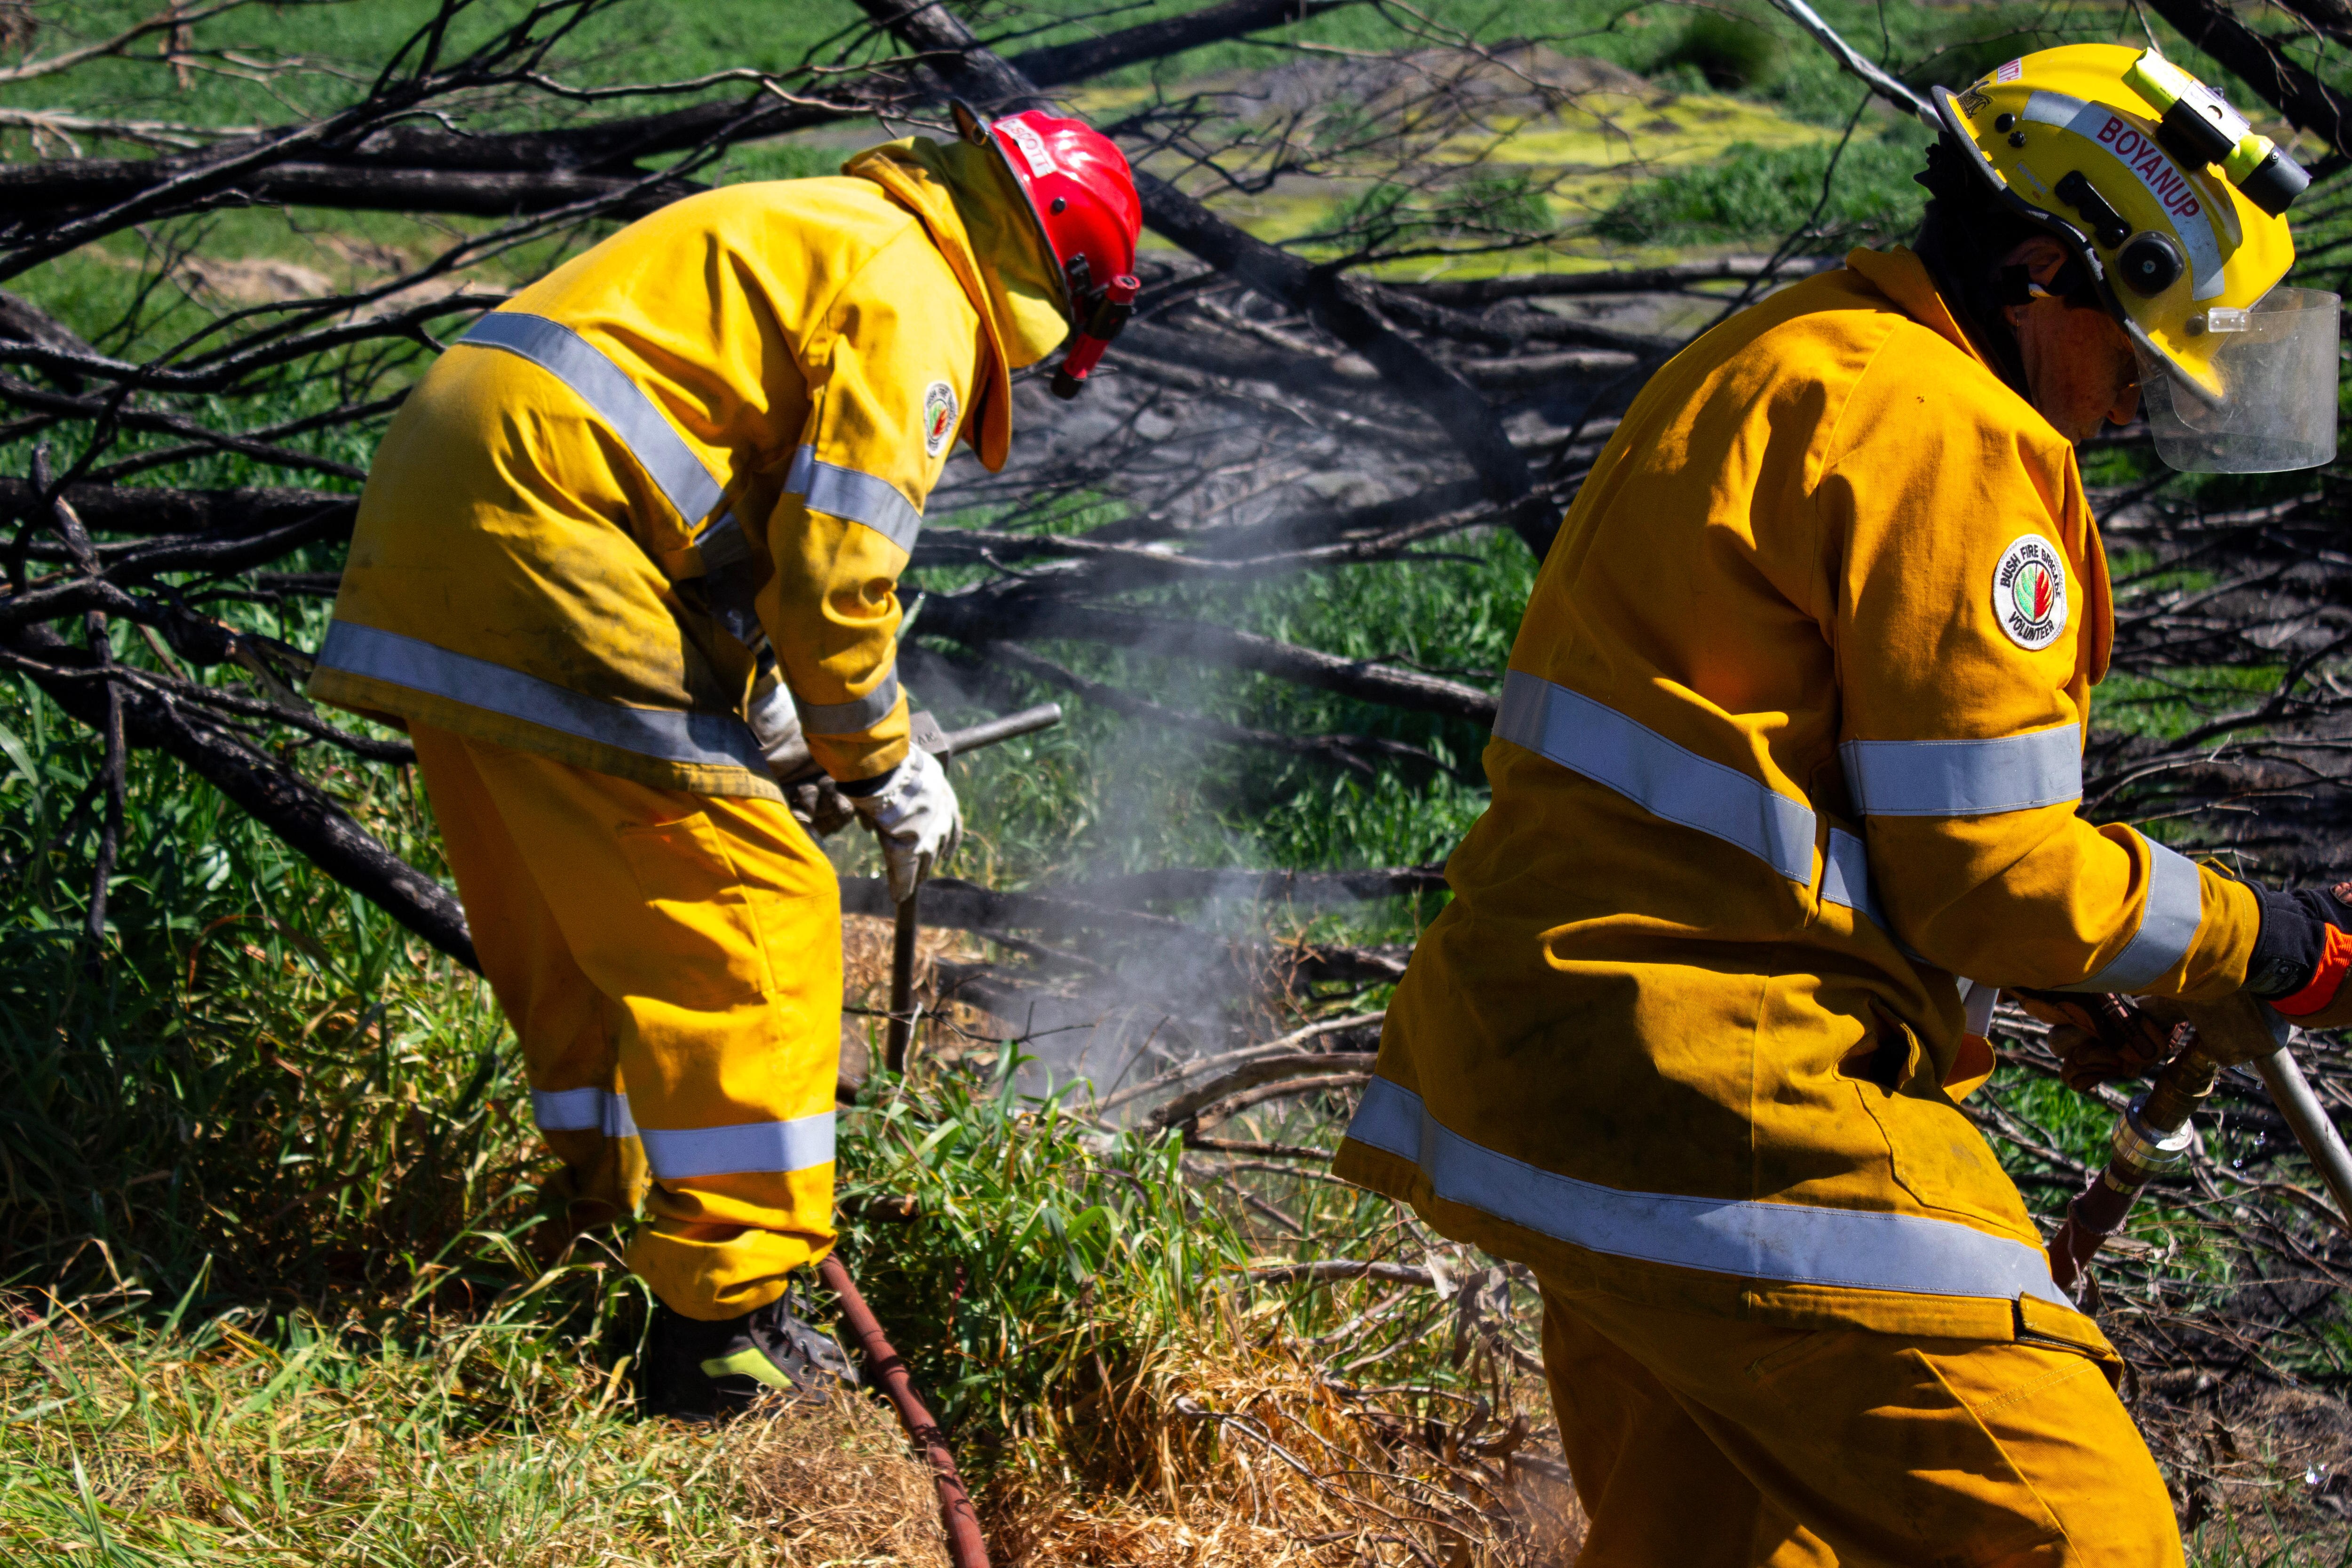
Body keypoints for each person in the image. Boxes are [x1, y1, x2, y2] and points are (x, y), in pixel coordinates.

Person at [1333, 44, 2347, 1564]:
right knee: (2085, 1541)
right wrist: (2274, 946)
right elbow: (1989, 876)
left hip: (1550, 1061)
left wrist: (2050, 976)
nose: (2152, 392)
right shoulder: (1951, 432)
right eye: (2140, 342)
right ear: (2034, 272)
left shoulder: (1796, 351)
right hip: (1721, 1096)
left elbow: (1796, 789)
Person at [306, 105, 1141, 1419]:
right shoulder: (919, 290)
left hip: (441, 515)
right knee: (766, 914)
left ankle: (595, 1247)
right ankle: (726, 1336)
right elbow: (838, 572)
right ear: (1055, 289)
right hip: (551, 528)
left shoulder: (827, 225)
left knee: (593, 938)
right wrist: (879, 759)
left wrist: (766, 719)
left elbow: (713, 508)